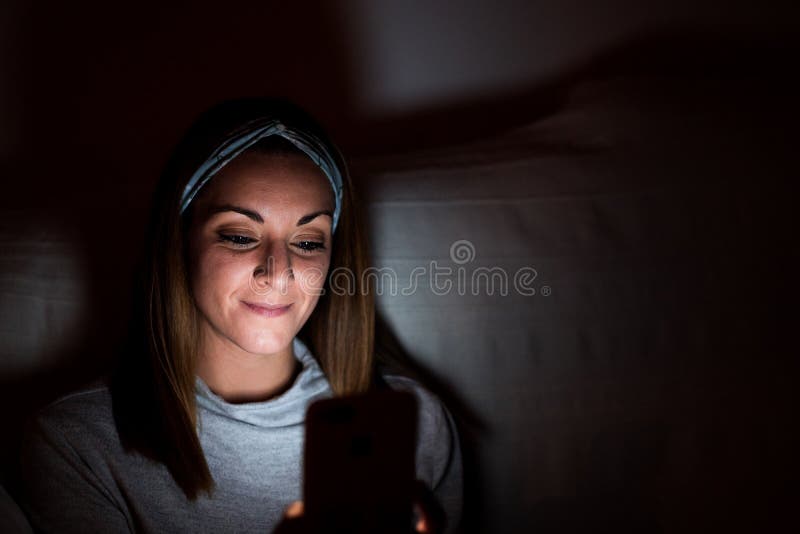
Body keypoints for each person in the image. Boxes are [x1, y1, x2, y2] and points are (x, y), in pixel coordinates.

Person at [17, 99, 463, 533]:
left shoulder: (414, 426)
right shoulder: (79, 446)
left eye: (308, 242)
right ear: (180, 241)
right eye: (238, 235)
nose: (278, 272)